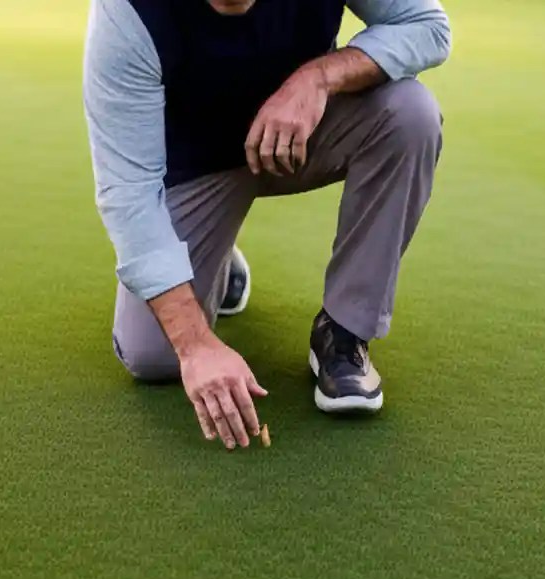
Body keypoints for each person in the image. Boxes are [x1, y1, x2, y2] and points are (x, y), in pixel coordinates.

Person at [84, 0, 451, 449]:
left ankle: (343, 332)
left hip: (301, 134)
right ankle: (216, 258)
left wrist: (317, 77)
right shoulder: (127, 11)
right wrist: (196, 345)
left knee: (410, 114)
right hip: (195, 166)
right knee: (153, 356)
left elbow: (427, 25)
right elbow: (128, 192)